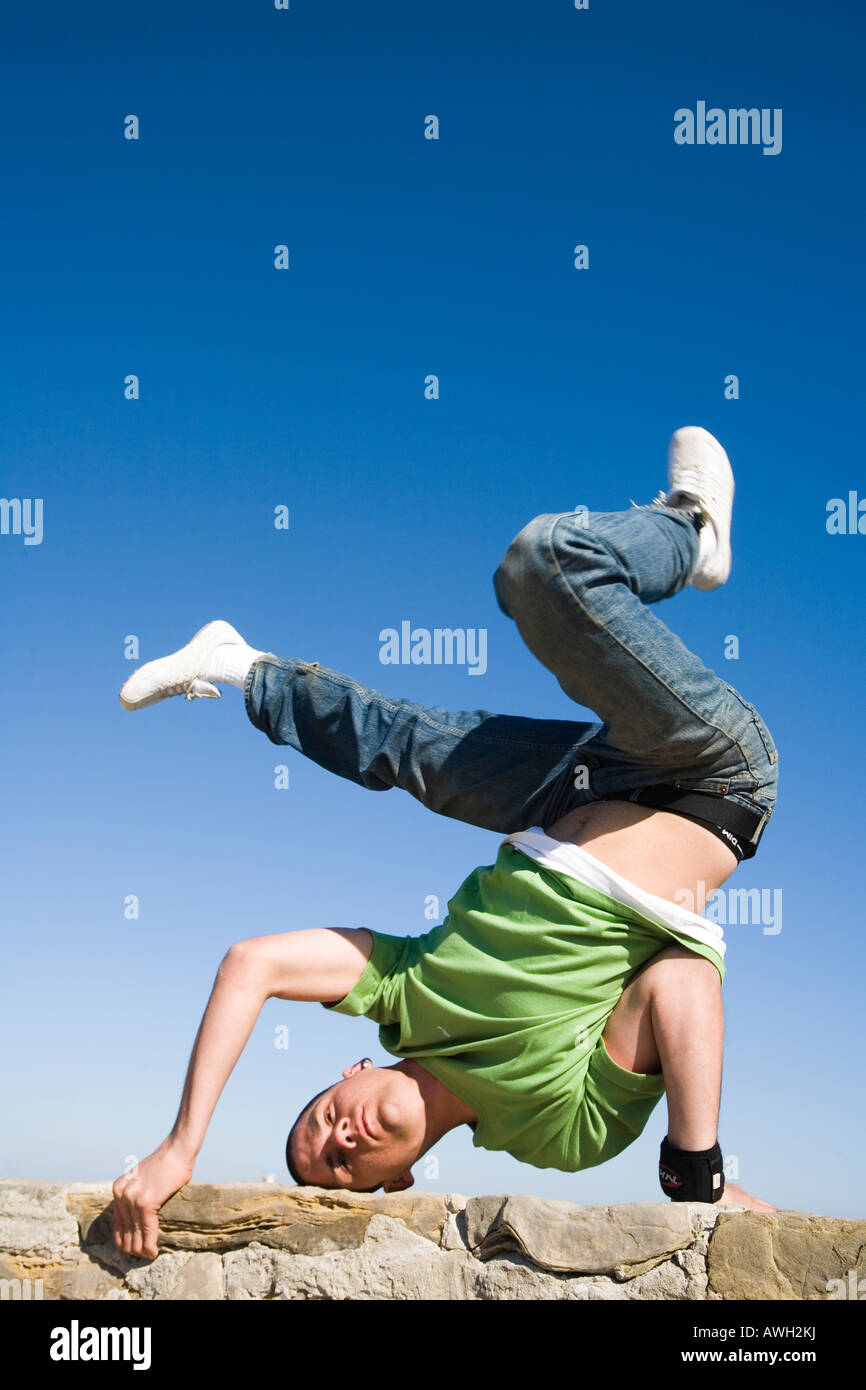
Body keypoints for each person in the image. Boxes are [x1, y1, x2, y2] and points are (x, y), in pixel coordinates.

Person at [112, 426, 779, 1260]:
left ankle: (239, 665)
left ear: (351, 1071)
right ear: (393, 1186)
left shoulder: (402, 990)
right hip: (707, 777)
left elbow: (251, 964)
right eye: (341, 1171)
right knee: (548, 565)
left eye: (323, 1122)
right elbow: (680, 982)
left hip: (573, 787)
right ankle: (695, 524)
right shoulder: (554, 1132)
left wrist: (181, 1145)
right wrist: (694, 1171)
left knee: (404, 744)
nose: (341, 1141)